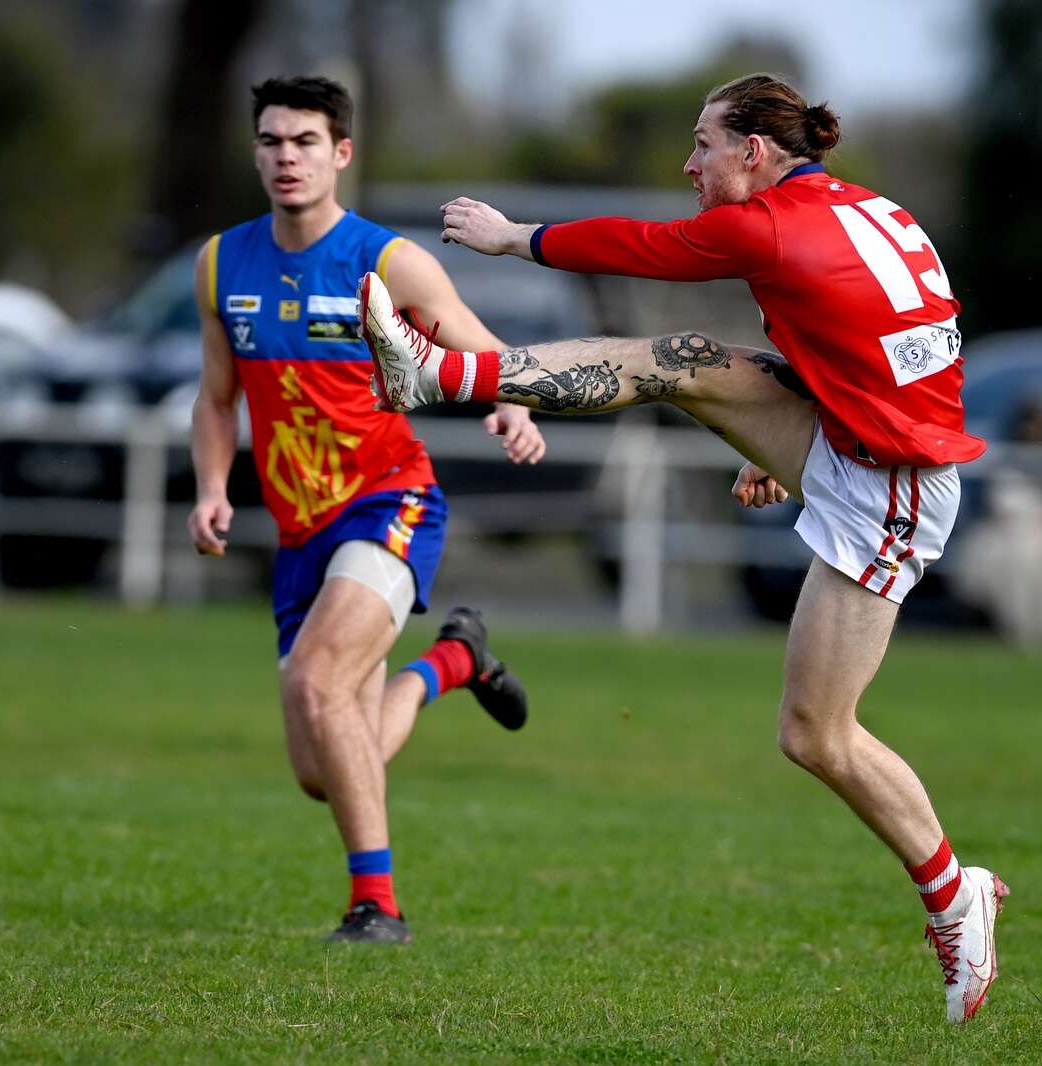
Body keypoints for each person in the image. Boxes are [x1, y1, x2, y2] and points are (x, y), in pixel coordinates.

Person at [362, 73, 1006, 1022]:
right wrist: (794, 443)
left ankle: (958, 896)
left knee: (814, 733)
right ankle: (442, 372)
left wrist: (513, 238)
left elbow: (645, 246)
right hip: (858, 446)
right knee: (667, 361)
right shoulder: (860, 205)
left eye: (704, 143)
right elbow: (905, 341)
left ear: (755, 149)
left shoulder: (769, 223)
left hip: (890, 486)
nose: (689, 163)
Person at [187, 75, 545, 943]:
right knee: (321, 764)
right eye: (271, 141)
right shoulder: (219, 263)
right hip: (301, 530)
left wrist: (513, 400)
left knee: (320, 683)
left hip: (392, 502)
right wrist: (209, 487)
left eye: (304, 141)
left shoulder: (388, 263)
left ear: (340, 153)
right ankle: (450, 666)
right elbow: (214, 397)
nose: (285, 157)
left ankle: (376, 906)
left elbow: (476, 338)